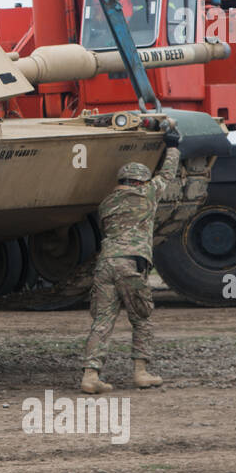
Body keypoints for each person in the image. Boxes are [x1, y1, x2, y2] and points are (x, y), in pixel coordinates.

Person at [81, 129, 182, 394]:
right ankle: (141, 372)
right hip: (130, 265)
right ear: (140, 181)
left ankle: (90, 376)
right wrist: (172, 146)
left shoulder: (106, 204)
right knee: (142, 318)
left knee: (102, 321)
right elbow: (168, 174)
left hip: (106, 264)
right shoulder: (146, 195)